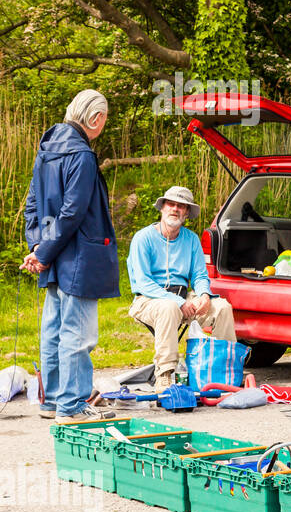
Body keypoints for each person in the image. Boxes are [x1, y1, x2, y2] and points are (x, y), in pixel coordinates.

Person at [20, 90, 119, 423]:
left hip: (54, 257)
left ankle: (51, 403)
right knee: (77, 333)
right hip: (78, 258)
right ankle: (72, 406)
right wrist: (44, 252)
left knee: (53, 329)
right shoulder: (82, 155)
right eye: (105, 119)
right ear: (96, 118)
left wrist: (37, 247)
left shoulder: (46, 150)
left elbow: (33, 205)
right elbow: (73, 212)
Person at [127, 186, 236, 390]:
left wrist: (203, 295)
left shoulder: (191, 239)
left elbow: (200, 275)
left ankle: (223, 370)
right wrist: (178, 301)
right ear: (162, 208)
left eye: (181, 206)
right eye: (171, 204)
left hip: (184, 297)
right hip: (148, 299)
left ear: (186, 213)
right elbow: (142, 282)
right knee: (168, 307)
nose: (175, 209)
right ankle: (165, 374)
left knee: (221, 307)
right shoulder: (143, 238)